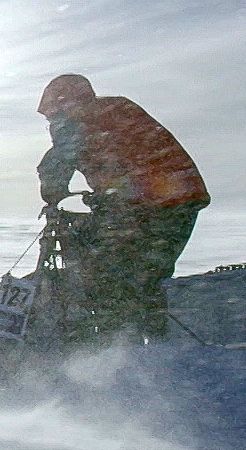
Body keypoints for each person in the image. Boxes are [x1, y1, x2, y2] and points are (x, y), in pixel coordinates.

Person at [34, 73, 209, 342]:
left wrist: (53, 196)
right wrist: (107, 196)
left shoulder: (82, 120)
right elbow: (127, 162)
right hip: (176, 201)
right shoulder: (112, 111)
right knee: (144, 273)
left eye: (52, 115)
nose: (51, 123)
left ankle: (120, 346)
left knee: (112, 275)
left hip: (156, 206)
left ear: (64, 106)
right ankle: (151, 341)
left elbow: (57, 164)